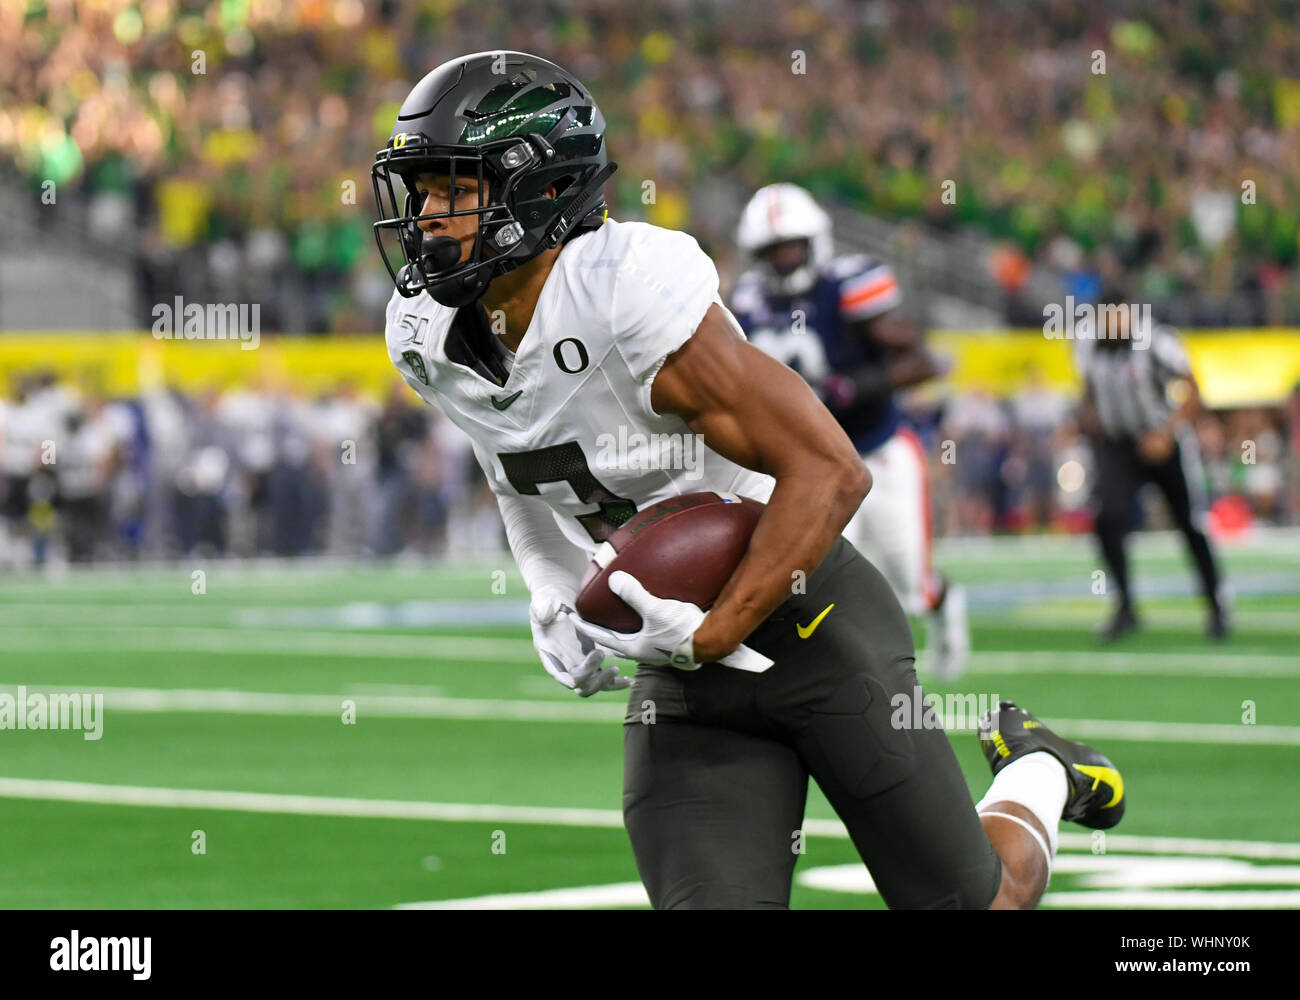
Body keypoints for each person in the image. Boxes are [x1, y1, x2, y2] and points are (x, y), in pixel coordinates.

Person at [371, 50, 1125, 909]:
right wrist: (550, 588)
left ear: (539, 189)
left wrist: (713, 631)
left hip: (811, 620)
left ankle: (1037, 772)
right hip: (682, 669)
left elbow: (831, 470)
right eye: (421, 191)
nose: (425, 217)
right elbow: (513, 469)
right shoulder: (425, 331)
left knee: (973, 904)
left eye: (451, 190)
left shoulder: (623, 293)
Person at [730, 184, 968, 679]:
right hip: (813, 467)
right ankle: (848, 673)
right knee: (827, 577)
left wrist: (853, 386)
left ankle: (944, 604)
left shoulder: (848, 284)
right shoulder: (748, 300)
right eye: (771, 250)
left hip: (878, 451)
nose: (782, 258)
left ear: (815, 241)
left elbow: (921, 361)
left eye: (790, 246)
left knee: (910, 579)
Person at [1076, 296, 1229, 641]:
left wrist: (1166, 432)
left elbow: (1193, 390)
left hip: (1163, 443)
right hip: (1118, 446)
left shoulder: (1155, 341)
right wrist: (1091, 420)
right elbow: (1087, 390)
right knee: (1106, 518)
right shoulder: (1085, 343)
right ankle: (1125, 606)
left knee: (1190, 524)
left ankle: (1216, 605)